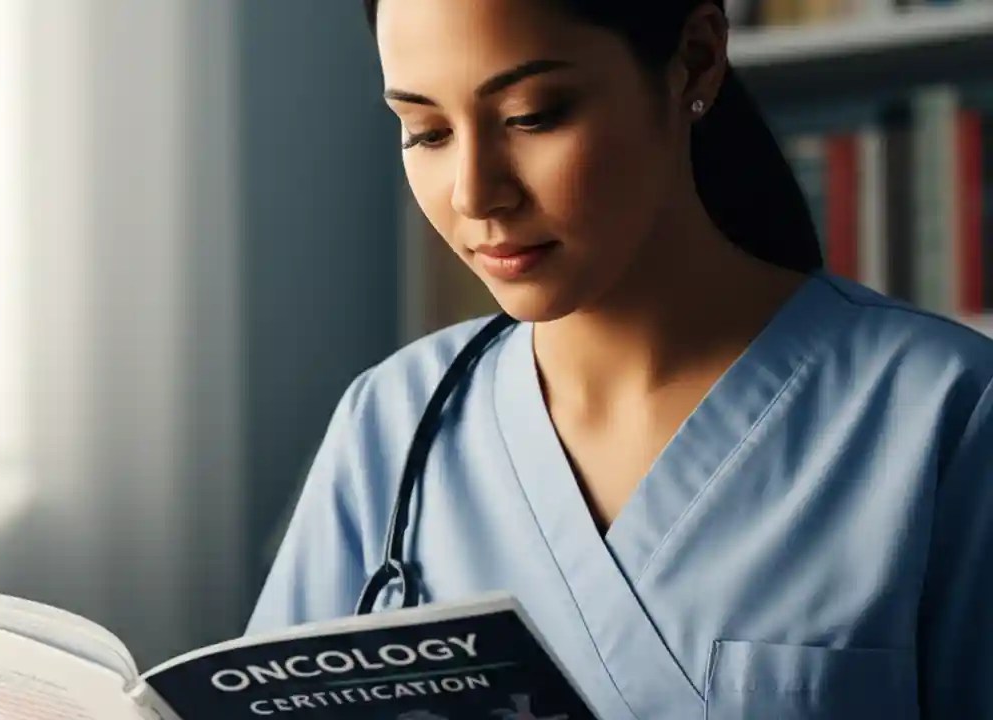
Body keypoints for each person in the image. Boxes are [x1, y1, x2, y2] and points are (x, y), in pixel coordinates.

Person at [246, 0, 993, 717]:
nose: (476, 194)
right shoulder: (393, 419)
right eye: (426, 131)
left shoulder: (946, 413)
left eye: (530, 117)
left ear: (695, 62)